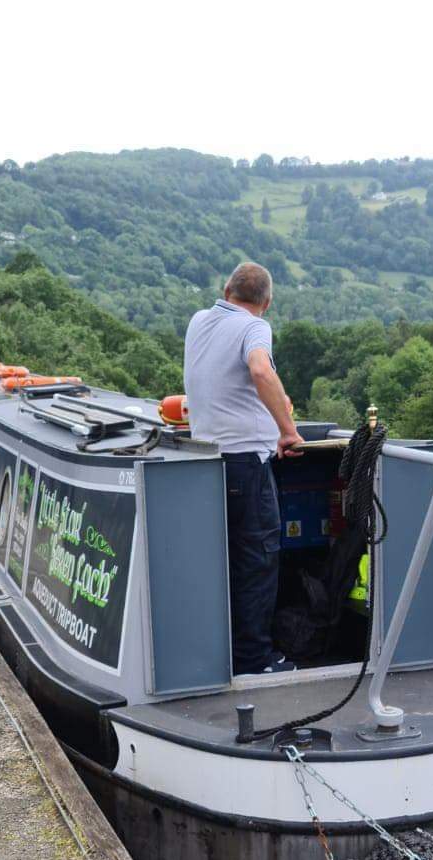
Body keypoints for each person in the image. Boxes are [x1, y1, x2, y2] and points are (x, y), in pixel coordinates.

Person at [183, 262, 301, 675]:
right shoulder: (256, 328)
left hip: (204, 461)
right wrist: (287, 431)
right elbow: (259, 369)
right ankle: (254, 661)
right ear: (266, 304)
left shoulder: (199, 320)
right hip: (246, 464)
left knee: (219, 561)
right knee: (257, 562)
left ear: (225, 288)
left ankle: (214, 652)